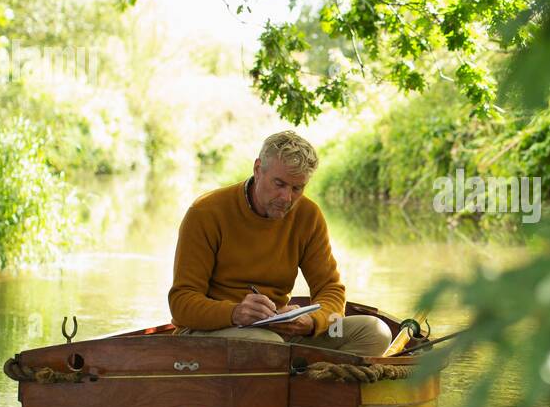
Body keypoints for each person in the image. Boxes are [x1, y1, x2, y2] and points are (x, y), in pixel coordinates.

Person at [167, 131, 392, 356]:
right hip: (211, 331)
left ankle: (306, 378)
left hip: (277, 333)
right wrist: (235, 312)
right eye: (279, 184)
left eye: (297, 188)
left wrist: (313, 322)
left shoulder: (308, 215)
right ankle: (300, 374)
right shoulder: (206, 212)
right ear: (257, 169)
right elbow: (181, 303)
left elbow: (330, 289)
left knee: (374, 332)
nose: (287, 198)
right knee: (268, 344)